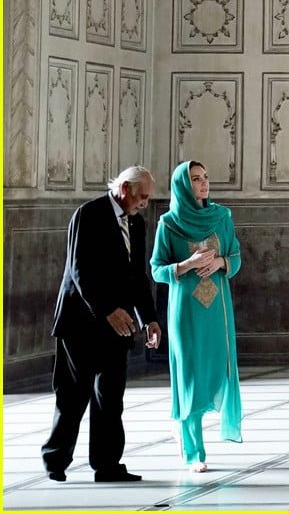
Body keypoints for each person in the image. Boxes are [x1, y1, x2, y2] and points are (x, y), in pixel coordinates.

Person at [41, 166, 163, 483]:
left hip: (117, 325)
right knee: (72, 396)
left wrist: (148, 317)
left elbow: (137, 276)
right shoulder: (89, 214)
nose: (145, 204)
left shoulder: (135, 222)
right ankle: (55, 461)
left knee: (111, 398)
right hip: (80, 323)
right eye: (143, 197)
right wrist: (107, 309)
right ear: (124, 187)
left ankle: (107, 465)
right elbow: (80, 270)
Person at [149, 160, 243, 472]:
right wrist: (186, 264)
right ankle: (193, 450)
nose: (203, 184)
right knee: (189, 376)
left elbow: (236, 256)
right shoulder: (169, 224)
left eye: (205, 177)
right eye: (195, 179)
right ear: (182, 186)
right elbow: (157, 269)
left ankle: (182, 423)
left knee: (217, 371)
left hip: (218, 311)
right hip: (186, 310)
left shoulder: (221, 217)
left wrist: (220, 263)